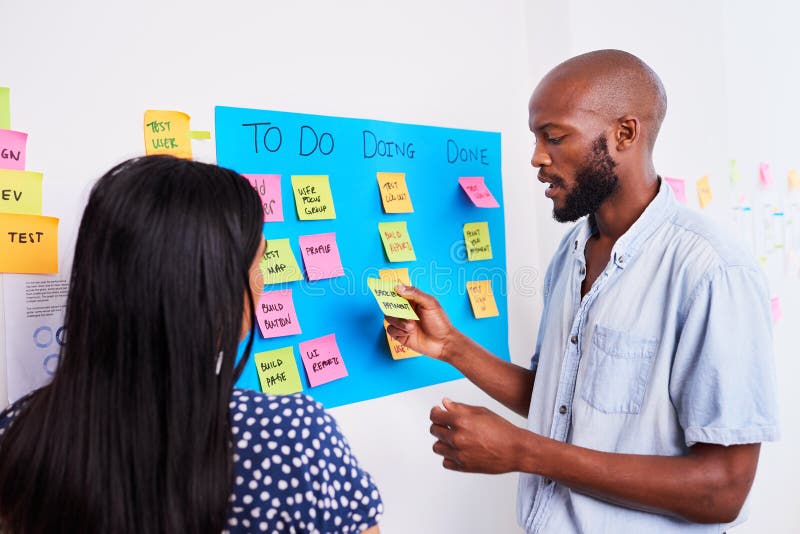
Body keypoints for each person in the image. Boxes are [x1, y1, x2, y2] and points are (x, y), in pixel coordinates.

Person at [385, 49, 779, 533]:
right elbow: (560, 400)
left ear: (625, 133)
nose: (536, 157)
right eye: (535, 137)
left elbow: (722, 490)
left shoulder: (711, 271)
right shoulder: (572, 251)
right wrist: (452, 347)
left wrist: (523, 451)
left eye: (553, 137)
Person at [0, 156, 382, 534]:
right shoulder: (291, 438)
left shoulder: (18, 431)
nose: (264, 282)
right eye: (259, 262)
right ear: (212, 291)